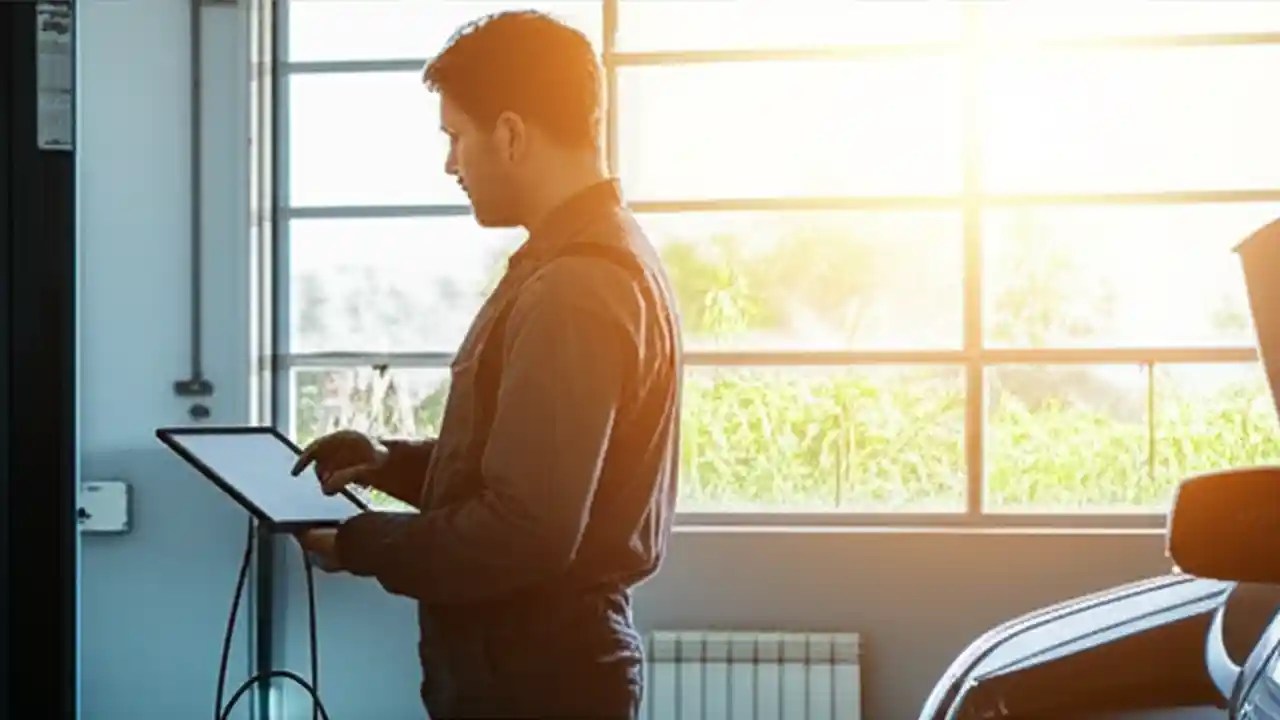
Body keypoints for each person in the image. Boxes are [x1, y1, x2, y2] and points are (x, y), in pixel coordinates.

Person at [290, 10, 683, 720]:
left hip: (537, 683)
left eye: (456, 137)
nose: (450, 164)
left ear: (509, 133)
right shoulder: (580, 261)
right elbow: (535, 466)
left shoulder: (575, 286)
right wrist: (391, 463)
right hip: (525, 671)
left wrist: (358, 543)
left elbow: (524, 530)